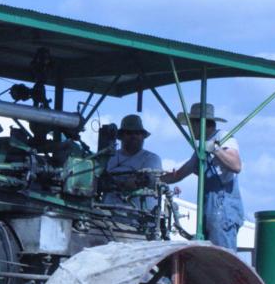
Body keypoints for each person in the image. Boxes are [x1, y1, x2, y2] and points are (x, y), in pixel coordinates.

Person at [161, 102, 243, 250]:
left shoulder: (223, 137)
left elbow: (236, 165)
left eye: (192, 125)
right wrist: (157, 178)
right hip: (209, 210)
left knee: (222, 259)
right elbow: (179, 174)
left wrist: (215, 149)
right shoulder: (201, 148)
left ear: (201, 123)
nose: (191, 130)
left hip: (223, 209)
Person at [103, 114, 162, 211]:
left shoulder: (151, 159)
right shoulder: (108, 157)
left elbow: (140, 181)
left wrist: (113, 182)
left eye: (137, 133)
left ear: (143, 136)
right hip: (107, 216)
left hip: (138, 219)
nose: (134, 136)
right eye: (129, 133)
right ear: (121, 136)